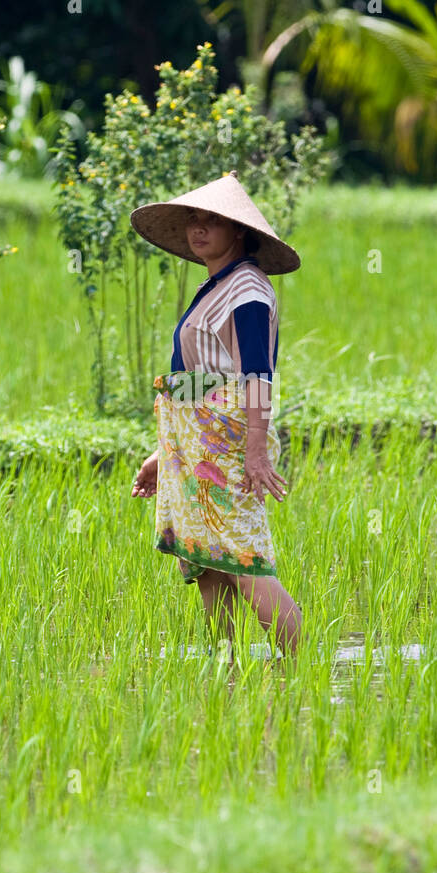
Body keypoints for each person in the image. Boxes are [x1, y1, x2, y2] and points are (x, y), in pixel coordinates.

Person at [130, 169, 303, 661]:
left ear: (240, 231)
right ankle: (221, 670)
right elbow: (197, 380)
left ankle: (303, 668)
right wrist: (162, 454)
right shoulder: (215, 285)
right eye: (194, 221)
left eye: (212, 221)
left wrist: (256, 448)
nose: (199, 229)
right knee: (210, 562)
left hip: (224, 445)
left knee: (244, 565)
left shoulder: (246, 289)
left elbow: (255, 375)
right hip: (196, 446)